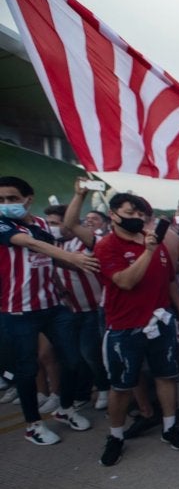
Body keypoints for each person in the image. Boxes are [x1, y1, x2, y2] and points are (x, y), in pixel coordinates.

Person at [0, 176, 99, 445]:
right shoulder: (3, 224)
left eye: (11, 198)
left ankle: (65, 409)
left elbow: (50, 256)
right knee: (27, 369)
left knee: (73, 360)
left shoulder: (42, 225)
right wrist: (71, 257)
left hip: (53, 307)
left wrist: (77, 265)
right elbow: (30, 244)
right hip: (18, 311)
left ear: (28, 199)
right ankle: (33, 425)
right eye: (1, 200)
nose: (5, 204)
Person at [94, 193, 179, 466]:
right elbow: (125, 281)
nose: (137, 219)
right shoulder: (107, 246)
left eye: (141, 215)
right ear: (113, 215)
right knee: (122, 386)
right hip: (125, 329)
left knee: (166, 377)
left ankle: (170, 427)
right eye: (130, 213)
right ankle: (115, 437)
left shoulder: (156, 245)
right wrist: (148, 250)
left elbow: (169, 281)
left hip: (161, 324)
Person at [46, 199, 110, 411]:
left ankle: (104, 388)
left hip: (93, 307)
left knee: (90, 352)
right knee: (73, 356)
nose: (52, 228)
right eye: (49, 223)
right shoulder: (54, 245)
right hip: (68, 309)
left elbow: (88, 265)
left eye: (56, 223)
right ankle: (80, 392)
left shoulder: (89, 242)